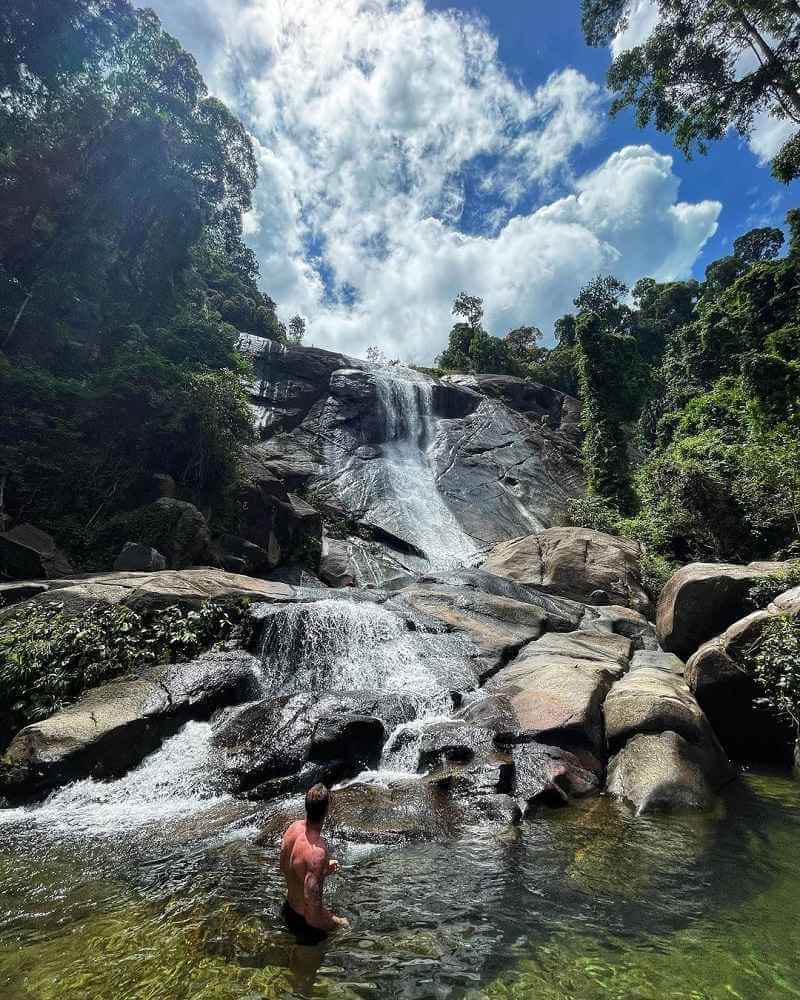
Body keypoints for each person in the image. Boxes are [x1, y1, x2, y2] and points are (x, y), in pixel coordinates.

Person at [280, 783, 349, 943]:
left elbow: (284, 868)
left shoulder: (292, 829)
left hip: (288, 910)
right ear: (327, 811)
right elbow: (313, 916)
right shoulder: (317, 853)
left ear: (306, 806)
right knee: (306, 968)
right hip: (305, 926)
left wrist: (322, 870)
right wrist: (340, 923)